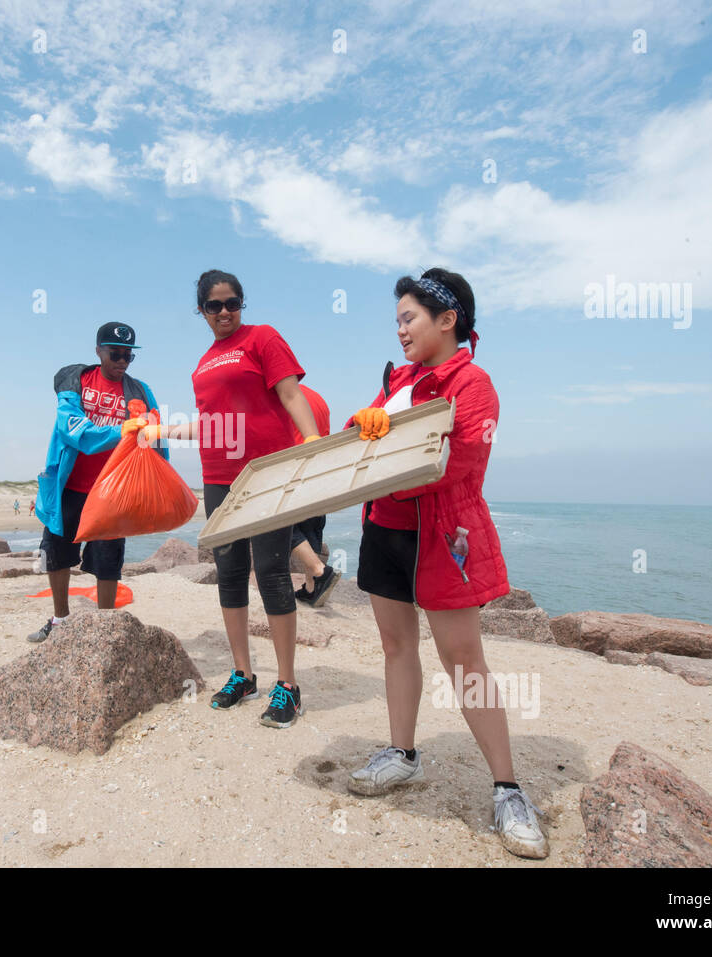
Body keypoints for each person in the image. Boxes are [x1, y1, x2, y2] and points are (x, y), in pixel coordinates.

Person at [343, 268, 547, 859]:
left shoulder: (473, 383)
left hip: (444, 538)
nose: (401, 330)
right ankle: (402, 754)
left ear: (447, 319)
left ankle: (507, 788)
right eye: (397, 321)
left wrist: (387, 441)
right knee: (394, 645)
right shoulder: (397, 381)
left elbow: (455, 465)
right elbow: (360, 448)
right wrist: (364, 425)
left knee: (463, 659)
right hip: (385, 530)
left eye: (409, 318)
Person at [139, 270, 319, 729]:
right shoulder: (202, 364)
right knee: (231, 573)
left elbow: (290, 393)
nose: (225, 312)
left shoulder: (262, 338)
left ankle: (288, 685)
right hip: (217, 478)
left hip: (263, 473)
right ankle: (243, 674)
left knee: (273, 571)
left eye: (233, 303)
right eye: (214, 306)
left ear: (242, 304)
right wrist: (161, 432)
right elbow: (208, 423)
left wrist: (315, 441)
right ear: (200, 310)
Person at [27, 323, 165, 642]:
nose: (122, 361)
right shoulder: (76, 382)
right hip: (71, 485)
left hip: (113, 490)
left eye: (128, 355)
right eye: (115, 353)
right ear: (98, 351)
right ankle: (60, 619)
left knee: (108, 559)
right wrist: (121, 430)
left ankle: (105, 629)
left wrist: (156, 481)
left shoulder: (140, 391)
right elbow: (71, 430)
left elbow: (155, 438)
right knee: (56, 551)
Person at [287, 384, 343, 607]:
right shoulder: (317, 398)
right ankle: (312, 587)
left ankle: (319, 571)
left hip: (293, 464)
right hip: (318, 465)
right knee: (312, 523)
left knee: (278, 523)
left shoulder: (282, 395)